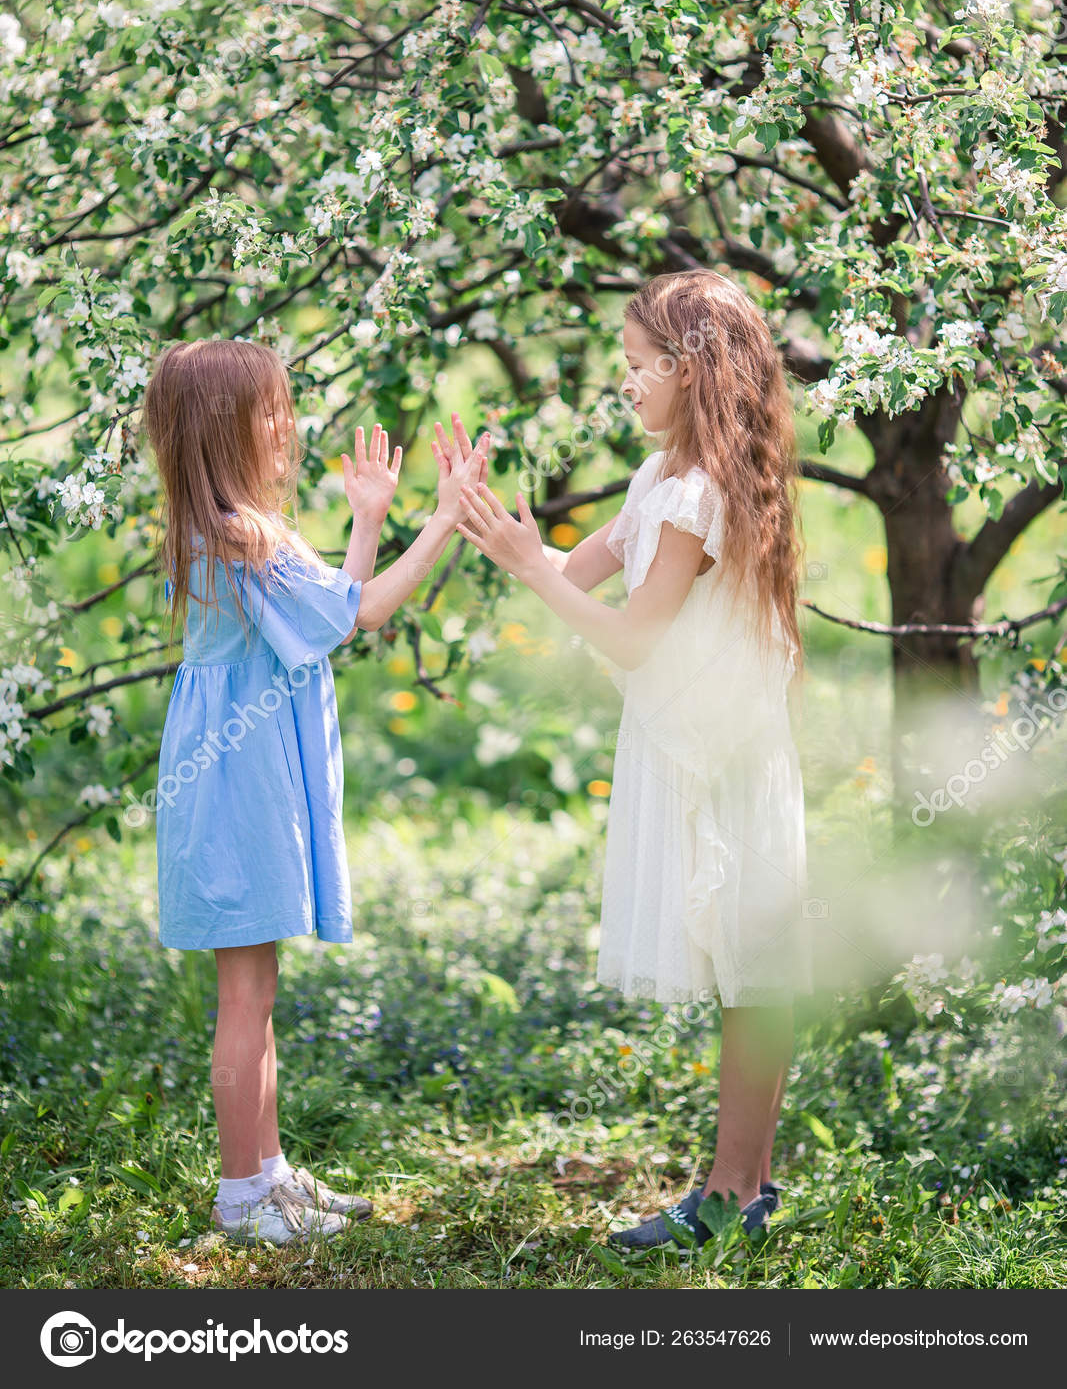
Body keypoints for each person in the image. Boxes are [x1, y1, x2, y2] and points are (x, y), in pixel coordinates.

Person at [456, 269, 811, 1249]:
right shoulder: (658, 479)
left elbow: (631, 639)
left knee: (752, 971)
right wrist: (503, 537)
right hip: (685, 743)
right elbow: (576, 573)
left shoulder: (701, 494)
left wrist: (535, 570)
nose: (623, 383)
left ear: (690, 373)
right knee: (743, 968)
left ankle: (736, 1191)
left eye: (636, 366)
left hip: (723, 757)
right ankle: (735, 1192)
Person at [142, 337, 488, 1245]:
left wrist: (368, 521)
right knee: (244, 997)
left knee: (257, 986)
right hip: (233, 782)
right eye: (267, 411)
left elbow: (333, 603)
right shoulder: (240, 534)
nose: (284, 425)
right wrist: (440, 517)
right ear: (222, 429)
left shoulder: (230, 524)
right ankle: (242, 1197)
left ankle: (267, 1177)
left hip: (237, 774)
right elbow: (357, 614)